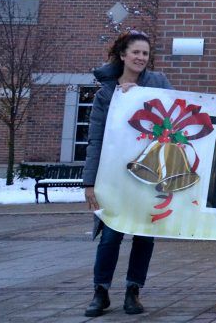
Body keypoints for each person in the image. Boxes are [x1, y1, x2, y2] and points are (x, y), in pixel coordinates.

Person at [83, 30, 173, 317]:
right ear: (123, 55)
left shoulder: (157, 84)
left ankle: (134, 290)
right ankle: (101, 290)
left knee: (144, 234)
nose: (140, 58)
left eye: (145, 54)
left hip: (149, 173)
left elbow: (173, 115)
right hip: (114, 175)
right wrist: (89, 183)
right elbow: (95, 139)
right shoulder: (105, 94)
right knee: (111, 234)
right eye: (135, 52)